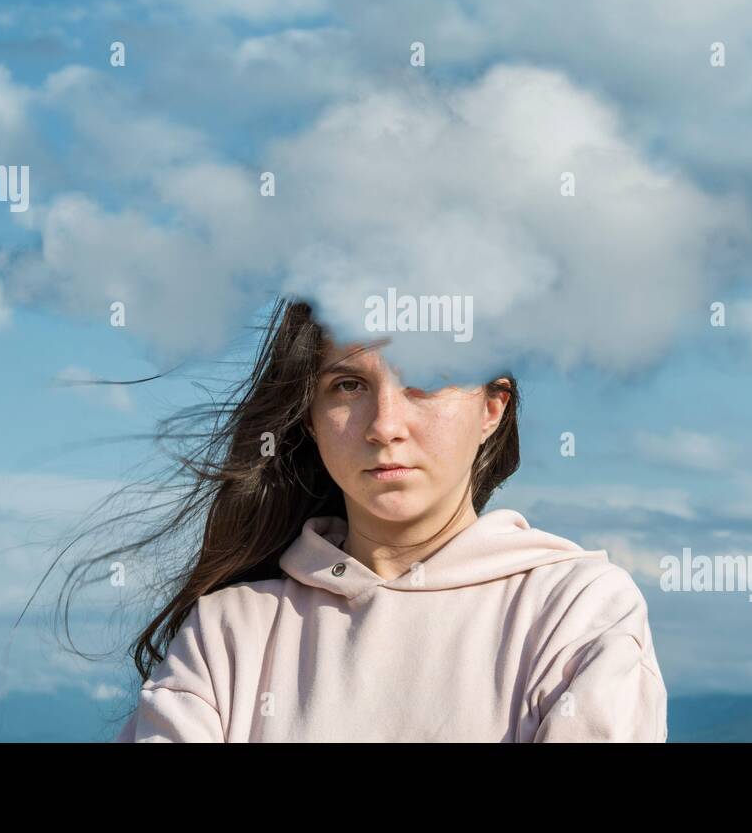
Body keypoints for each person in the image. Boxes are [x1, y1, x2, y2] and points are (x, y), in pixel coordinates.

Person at [106, 298, 667, 741]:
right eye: (349, 385)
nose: (386, 425)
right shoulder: (226, 636)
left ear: (492, 407)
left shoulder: (577, 612)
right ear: (309, 417)